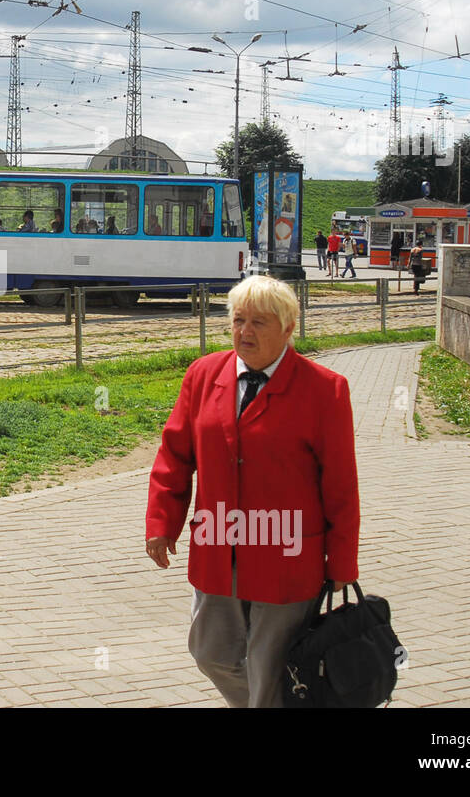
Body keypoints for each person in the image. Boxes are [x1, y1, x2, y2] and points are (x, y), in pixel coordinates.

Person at [144, 274, 359, 708]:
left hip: (287, 554)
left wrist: (341, 561)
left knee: (268, 665)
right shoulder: (203, 375)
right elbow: (175, 456)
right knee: (211, 654)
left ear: (288, 327)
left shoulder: (324, 389)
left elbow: (340, 483)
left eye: (259, 322)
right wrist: (162, 522)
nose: (245, 332)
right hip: (218, 546)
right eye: (238, 320)